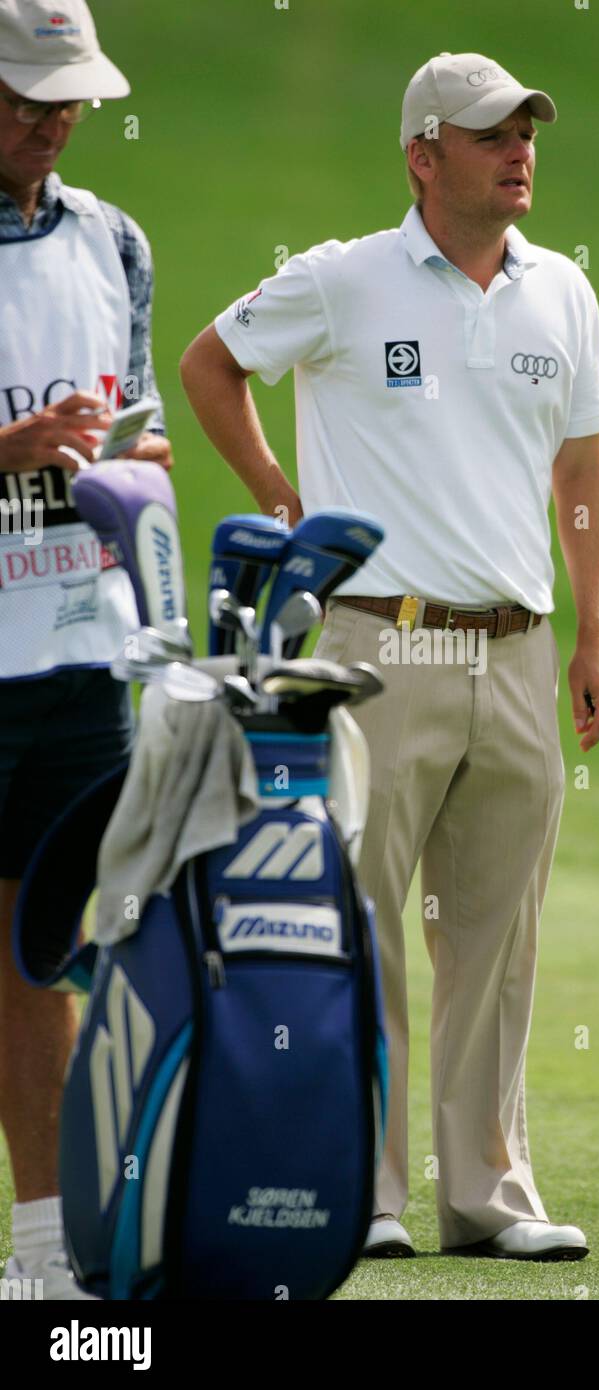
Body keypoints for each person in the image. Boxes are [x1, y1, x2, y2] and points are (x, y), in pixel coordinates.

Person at [181, 50, 599, 1262]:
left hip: (520, 651)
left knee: (497, 938)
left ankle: (487, 1197)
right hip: (380, 642)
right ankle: (359, 1192)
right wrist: (276, 493)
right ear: (423, 155)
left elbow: (581, 472)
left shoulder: (562, 294)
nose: (518, 151)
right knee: (359, 920)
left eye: (525, 131)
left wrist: (596, 632)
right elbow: (210, 364)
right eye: (489, 135)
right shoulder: (342, 280)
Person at [0, 0, 172, 1298]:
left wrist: (117, 458)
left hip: (75, 653)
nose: (54, 116)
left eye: (69, 96)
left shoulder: (114, 241)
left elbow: (149, 428)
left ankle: (52, 1254)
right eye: (27, 94)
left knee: (40, 954)